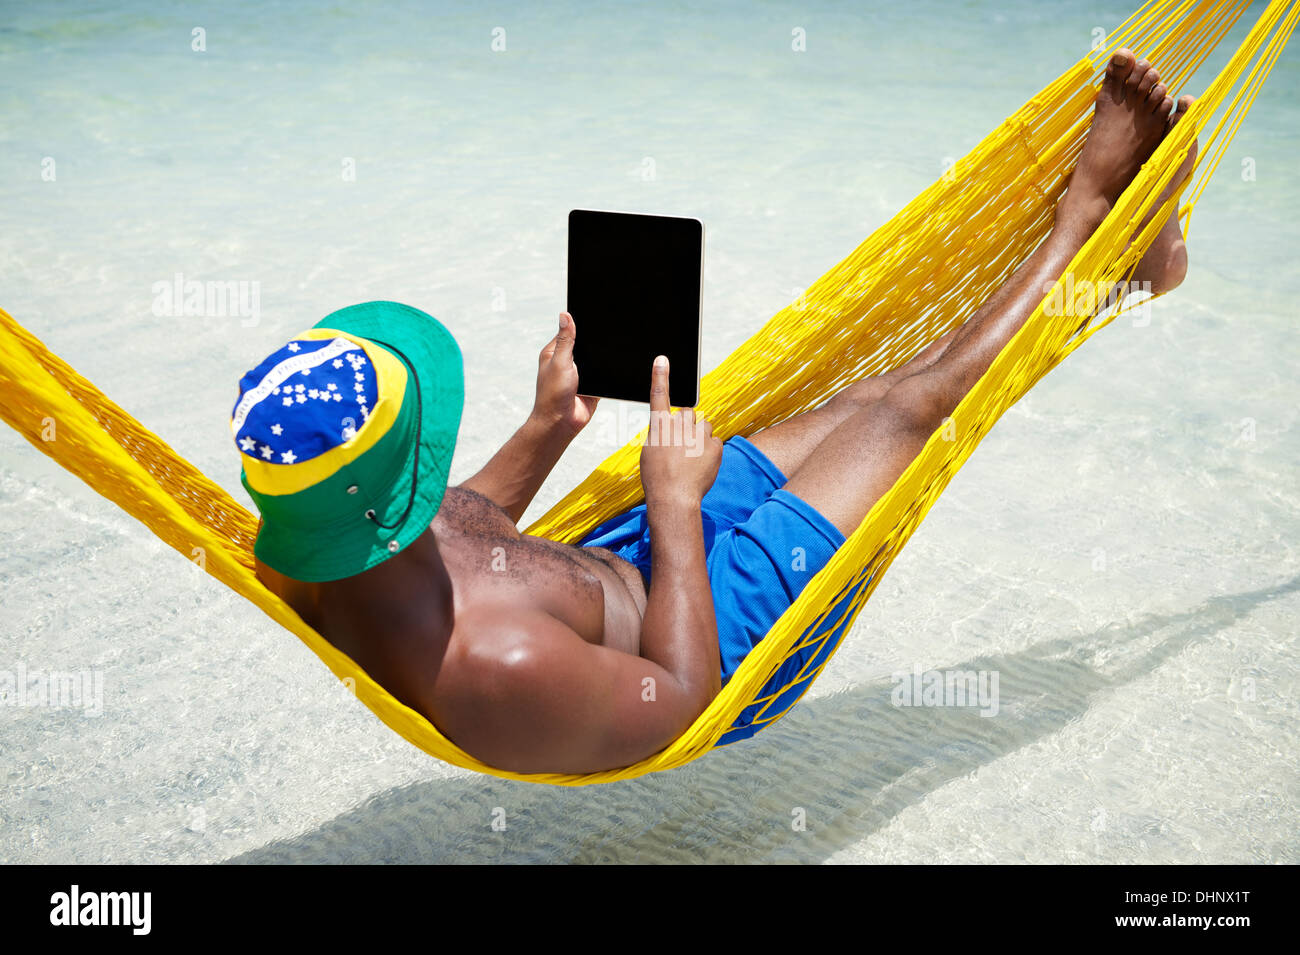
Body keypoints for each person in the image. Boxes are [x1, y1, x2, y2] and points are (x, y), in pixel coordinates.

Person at [241, 50, 1195, 773]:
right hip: (716, 639)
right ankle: (1088, 212)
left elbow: (468, 529)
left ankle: (1119, 277)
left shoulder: (324, 531)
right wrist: (676, 508)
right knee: (913, 413)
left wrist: (547, 428)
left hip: (641, 547)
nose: (431, 465)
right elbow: (684, 701)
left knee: (875, 394)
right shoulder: (497, 665)